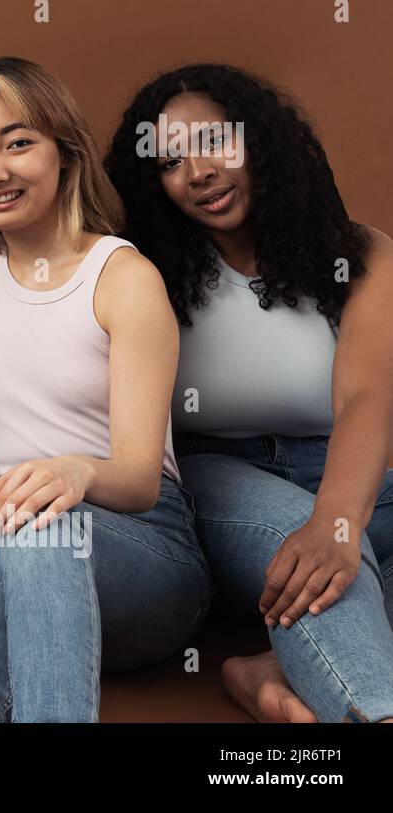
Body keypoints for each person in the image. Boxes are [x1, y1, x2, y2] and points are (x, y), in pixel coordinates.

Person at [0, 56, 211, 722]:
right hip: (10, 527)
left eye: (18, 143)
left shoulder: (122, 277)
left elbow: (138, 479)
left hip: (143, 552)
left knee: (44, 531)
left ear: (65, 152)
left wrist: (74, 469)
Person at [106, 63, 393, 723]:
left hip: (340, 473)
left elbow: (364, 401)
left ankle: (275, 665)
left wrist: (336, 521)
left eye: (213, 143)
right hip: (217, 478)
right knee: (305, 544)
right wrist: (322, 530)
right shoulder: (141, 269)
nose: (197, 172)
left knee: (332, 541)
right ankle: (373, 712)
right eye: (171, 161)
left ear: (260, 141)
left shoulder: (362, 256)